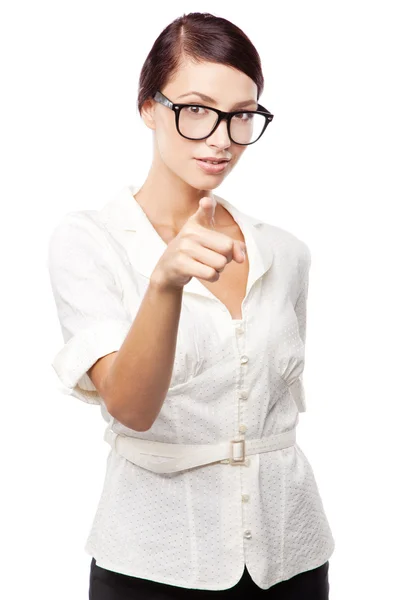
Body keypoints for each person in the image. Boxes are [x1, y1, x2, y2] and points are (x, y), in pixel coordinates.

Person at [47, 11, 335, 599]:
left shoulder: (286, 251)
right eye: (196, 109)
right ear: (149, 107)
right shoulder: (90, 239)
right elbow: (130, 407)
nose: (222, 138)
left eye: (242, 115)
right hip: (154, 563)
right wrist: (165, 282)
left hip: (290, 557)